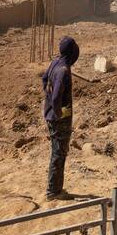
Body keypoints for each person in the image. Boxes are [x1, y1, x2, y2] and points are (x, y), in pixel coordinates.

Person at [42, 35, 79, 200]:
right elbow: (57, 96)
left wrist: (49, 101)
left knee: (57, 151)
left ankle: (55, 189)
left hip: (50, 113)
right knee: (59, 153)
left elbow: (44, 80)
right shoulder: (63, 70)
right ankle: (53, 191)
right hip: (58, 119)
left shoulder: (55, 62)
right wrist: (59, 114)